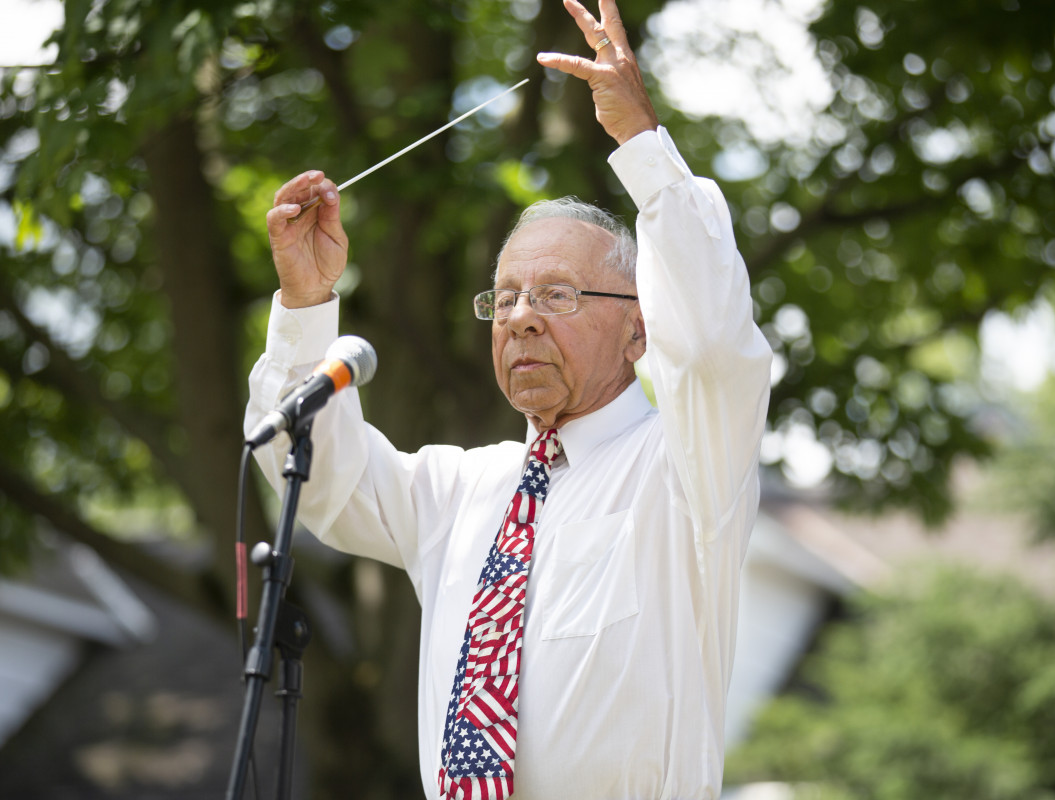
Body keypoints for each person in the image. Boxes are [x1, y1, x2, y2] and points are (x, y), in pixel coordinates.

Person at [245, 0, 772, 797]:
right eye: (506, 298)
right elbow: (315, 477)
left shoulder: (688, 468)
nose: (521, 317)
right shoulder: (462, 489)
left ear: (639, 329)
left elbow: (712, 345)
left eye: (557, 295)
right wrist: (308, 302)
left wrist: (641, 142)